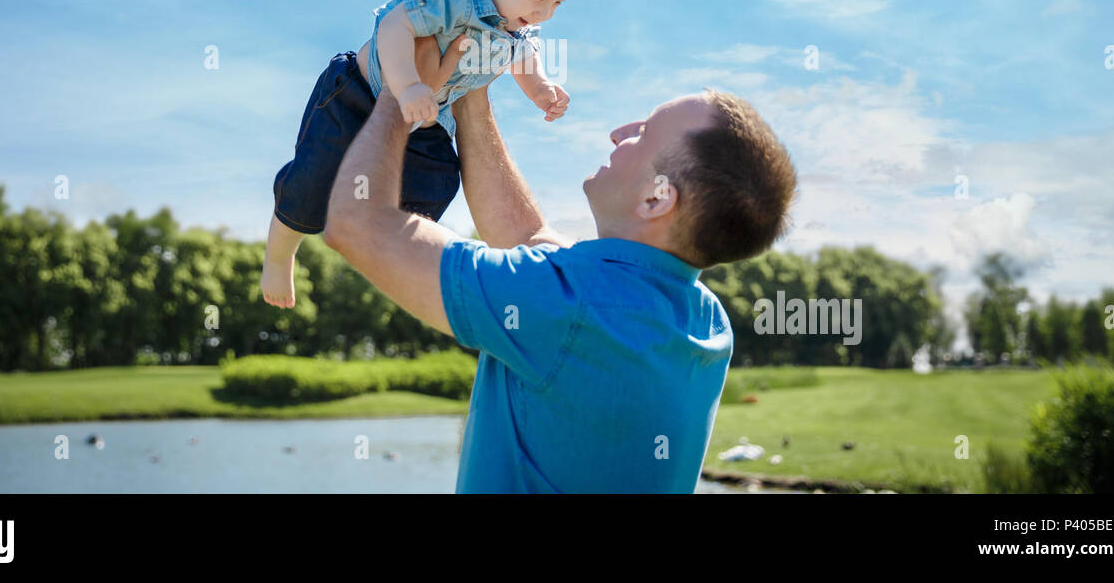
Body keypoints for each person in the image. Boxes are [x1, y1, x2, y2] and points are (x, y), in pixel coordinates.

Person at [322, 73, 798, 493]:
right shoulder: (705, 318)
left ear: (657, 200)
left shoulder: (567, 306)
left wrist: (398, 87)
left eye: (644, 133)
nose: (619, 133)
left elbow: (356, 224)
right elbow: (528, 238)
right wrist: (473, 91)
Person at [262, 0, 585, 308]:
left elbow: (523, 56)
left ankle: (386, 249)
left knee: (433, 187)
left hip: (429, 118)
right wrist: (410, 86)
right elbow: (396, 25)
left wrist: (540, 89)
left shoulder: (518, 18)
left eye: (559, 3)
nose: (546, 14)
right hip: (360, 93)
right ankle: (279, 254)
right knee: (310, 186)